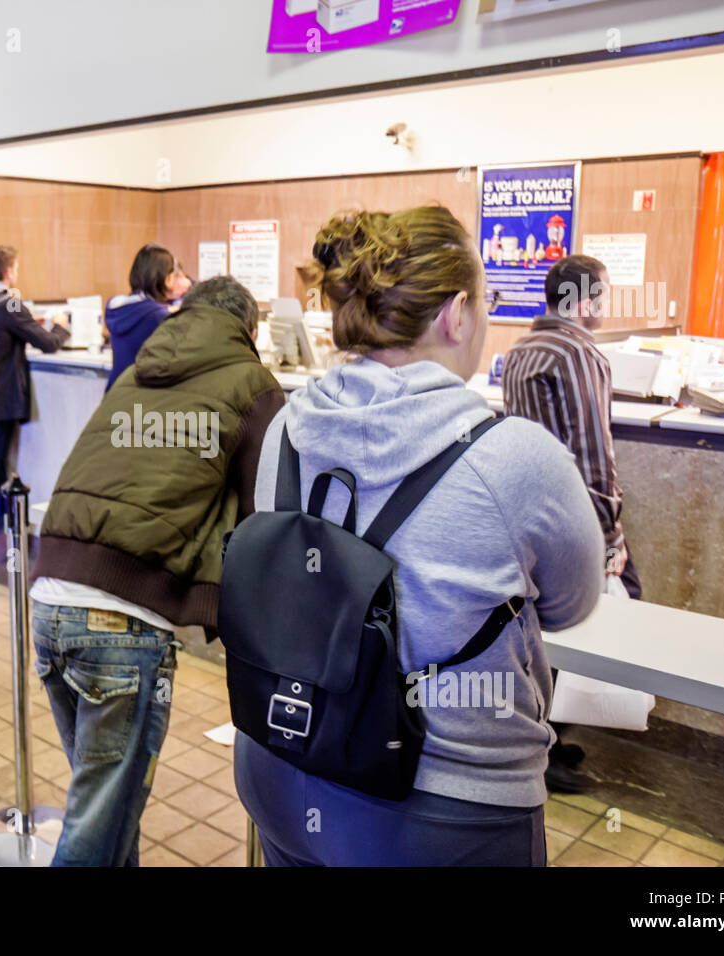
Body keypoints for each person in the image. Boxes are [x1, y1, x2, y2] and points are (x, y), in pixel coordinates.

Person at [234, 207, 604, 867]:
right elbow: (574, 605)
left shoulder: (284, 430)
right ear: (456, 314)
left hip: (282, 763)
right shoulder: (515, 458)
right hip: (444, 807)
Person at [30, 276, 286, 866]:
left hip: (49, 601)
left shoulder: (134, 370)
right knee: (98, 825)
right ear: (249, 332)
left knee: (107, 812)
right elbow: (263, 517)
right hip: (122, 624)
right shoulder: (254, 384)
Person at [501, 254, 639, 793]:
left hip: (524, 514)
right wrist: (610, 535)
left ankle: (545, 736)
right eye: (603, 294)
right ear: (583, 301)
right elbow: (592, 452)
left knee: (537, 625)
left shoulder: (519, 350)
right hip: (574, 515)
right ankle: (547, 743)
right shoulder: (580, 354)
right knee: (613, 600)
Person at [0, 245, 69, 558]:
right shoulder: (9, 304)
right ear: (9, 271)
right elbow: (48, 343)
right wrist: (61, 325)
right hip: (1, 401)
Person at [105, 243, 190, 390]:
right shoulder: (159, 317)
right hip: (144, 400)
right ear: (168, 279)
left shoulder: (115, 308)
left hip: (116, 395)